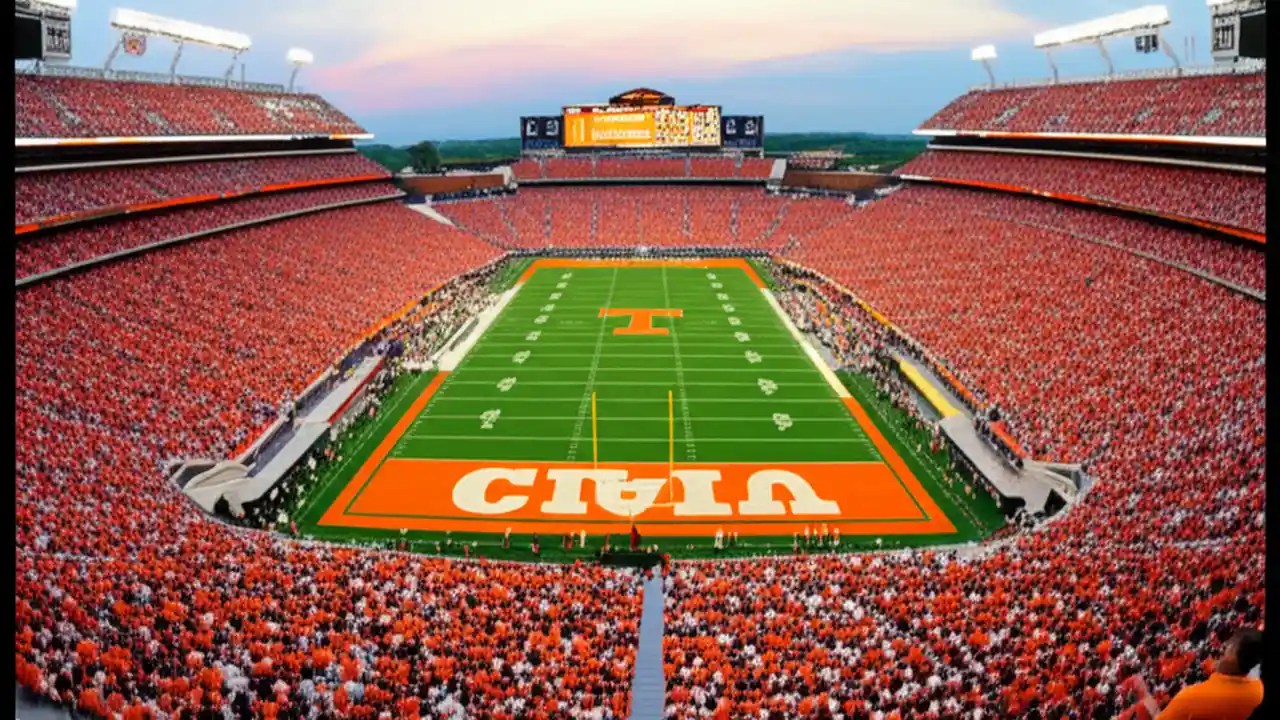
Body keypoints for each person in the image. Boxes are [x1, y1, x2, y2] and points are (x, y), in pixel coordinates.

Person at [1132, 628, 1264, 719]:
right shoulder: (1259, 690)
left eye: (1228, 646)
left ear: (1234, 655)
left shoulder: (1191, 697)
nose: (1222, 648)